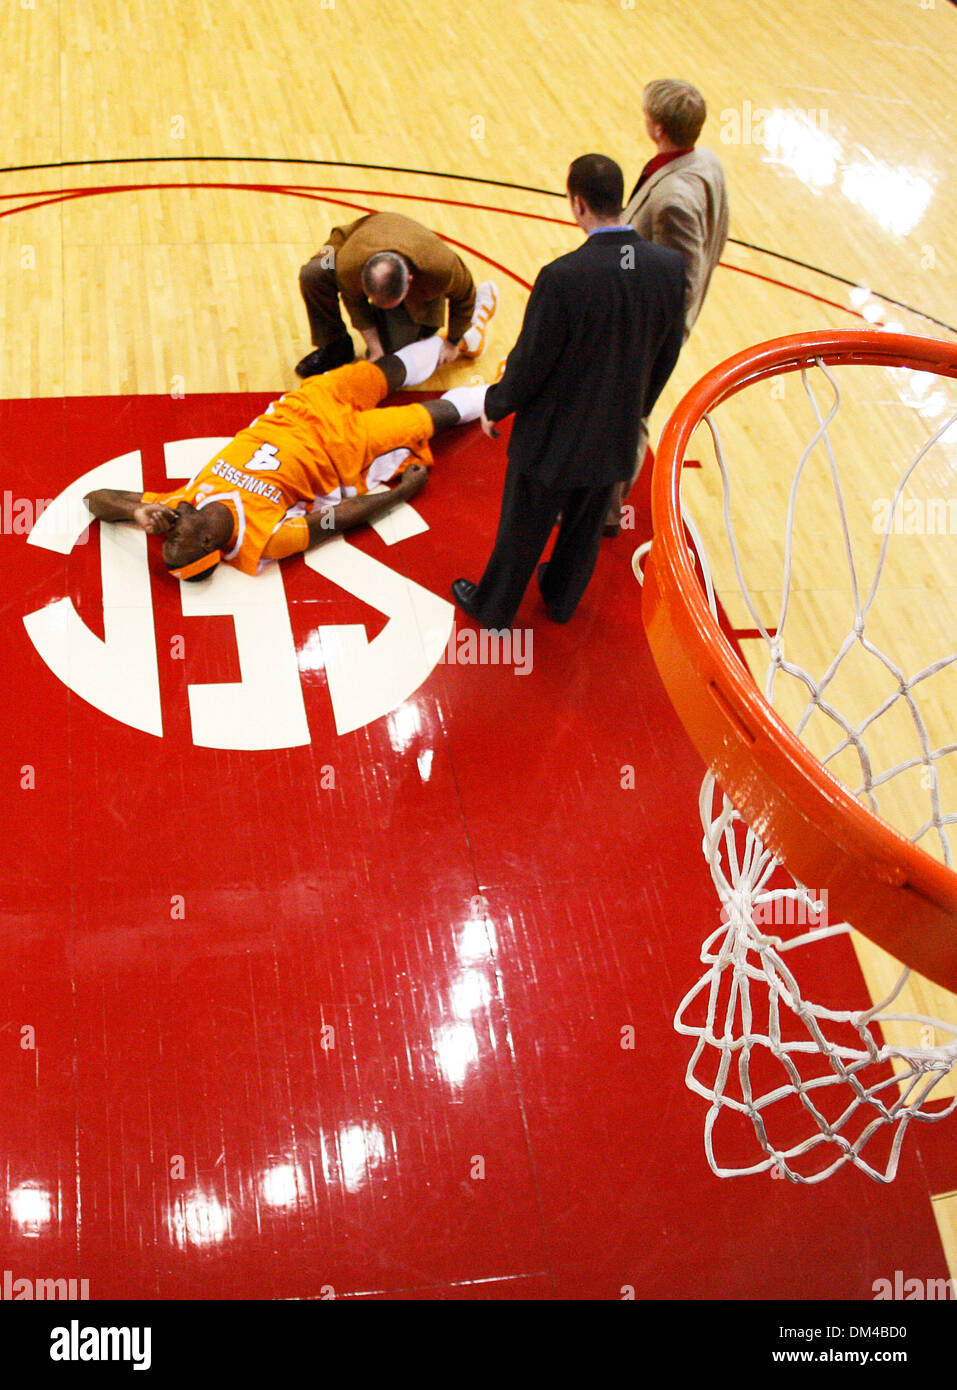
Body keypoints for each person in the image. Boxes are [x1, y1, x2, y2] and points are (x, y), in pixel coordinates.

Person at [451, 154, 685, 631]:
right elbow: (668, 352)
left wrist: (497, 404)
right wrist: (637, 408)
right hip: (617, 431)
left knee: (524, 524)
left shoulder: (563, 278)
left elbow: (532, 361)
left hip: (556, 438)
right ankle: (559, 599)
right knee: (584, 527)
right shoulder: (668, 267)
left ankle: (495, 606)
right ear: (619, 200)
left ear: (578, 203)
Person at [85, 337, 487, 582]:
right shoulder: (265, 541)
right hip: (344, 449)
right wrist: (402, 493)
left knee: (383, 371)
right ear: (208, 541)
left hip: (299, 408)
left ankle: (459, 339)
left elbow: (93, 498)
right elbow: (341, 518)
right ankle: (510, 386)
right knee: (435, 416)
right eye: (175, 540)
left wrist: (135, 512)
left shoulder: (177, 505)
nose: (165, 532)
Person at [606, 77, 730, 534]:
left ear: (657, 127)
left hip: (650, 330)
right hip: (654, 323)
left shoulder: (673, 198)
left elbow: (681, 279)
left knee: (626, 414)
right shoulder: (705, 161)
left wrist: (639, 329)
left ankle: (606, 511)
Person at [296, 210, 498, 379]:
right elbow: (354, 301)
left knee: (394, 355)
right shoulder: (348, 266)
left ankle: (474, 328)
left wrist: (453, 342)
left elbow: (464, 297)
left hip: (415, 258)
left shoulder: (440, 267)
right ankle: (335, 345)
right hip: (342, 245)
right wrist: (374, 346)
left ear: (410, 280)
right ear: (364, 279)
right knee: (314, 274)